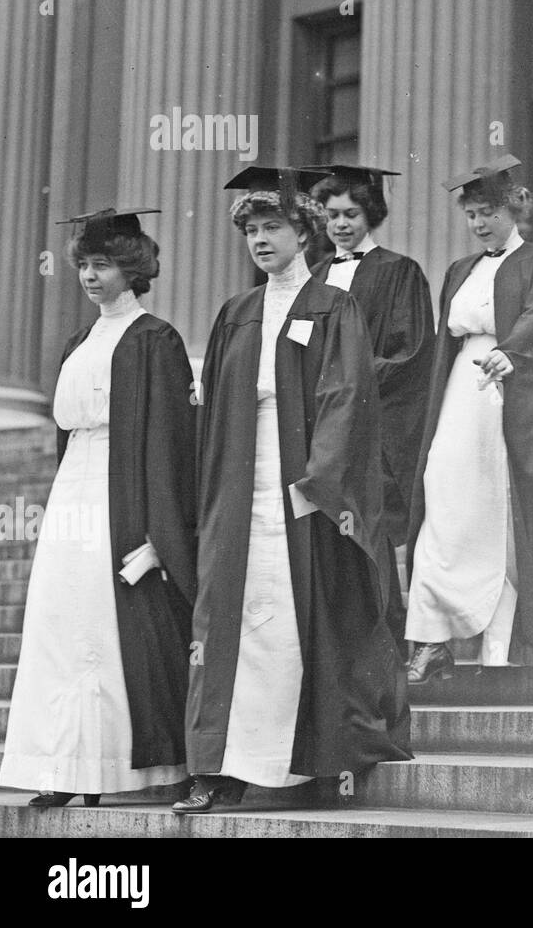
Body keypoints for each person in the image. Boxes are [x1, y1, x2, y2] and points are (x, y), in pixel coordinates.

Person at [176, 168, 409, 815]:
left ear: (304, 230)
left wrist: (321, 480)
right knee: (226, 616)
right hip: (237, 486)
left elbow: (346, 398)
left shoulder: (335, 308)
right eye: (250, 229)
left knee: (285, 618)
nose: (259, 238)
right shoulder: (236, 312)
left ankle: (297, 763)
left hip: (298, 487)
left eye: (271, 226)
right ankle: (216, 767)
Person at [0, 209, 195, 808]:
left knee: (114, 629)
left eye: (102, 264)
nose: (89, 274)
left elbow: (172, 441)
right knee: (62, 626)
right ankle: (66, 766)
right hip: (73, 497)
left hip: (126, 493)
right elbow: (65, 436)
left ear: (132, 269)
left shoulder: (155, 338)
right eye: (83, 264)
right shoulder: (79, 342)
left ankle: (123, 768)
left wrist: (160, 528)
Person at [405, 156, 533, 681]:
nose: (479, 223)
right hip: (462, 387)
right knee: (443, 491)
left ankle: (501, 642)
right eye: (472, 214)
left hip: (510, 392)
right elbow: (446, 340)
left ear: (514, 209)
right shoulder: (461, 270)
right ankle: (433, 635)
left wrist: (512, 352)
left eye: (488, 212)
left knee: (497, 508)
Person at [307, 165, 434, 662]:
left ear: (370, 214)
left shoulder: (398, 271)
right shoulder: (314, 277)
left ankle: (390, 636)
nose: (341, 224)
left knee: (371, 529)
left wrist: (351, 380)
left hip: (373, 420)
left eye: (351, 214)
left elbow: (412, 350)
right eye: (333, 215)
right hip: (325, 424)